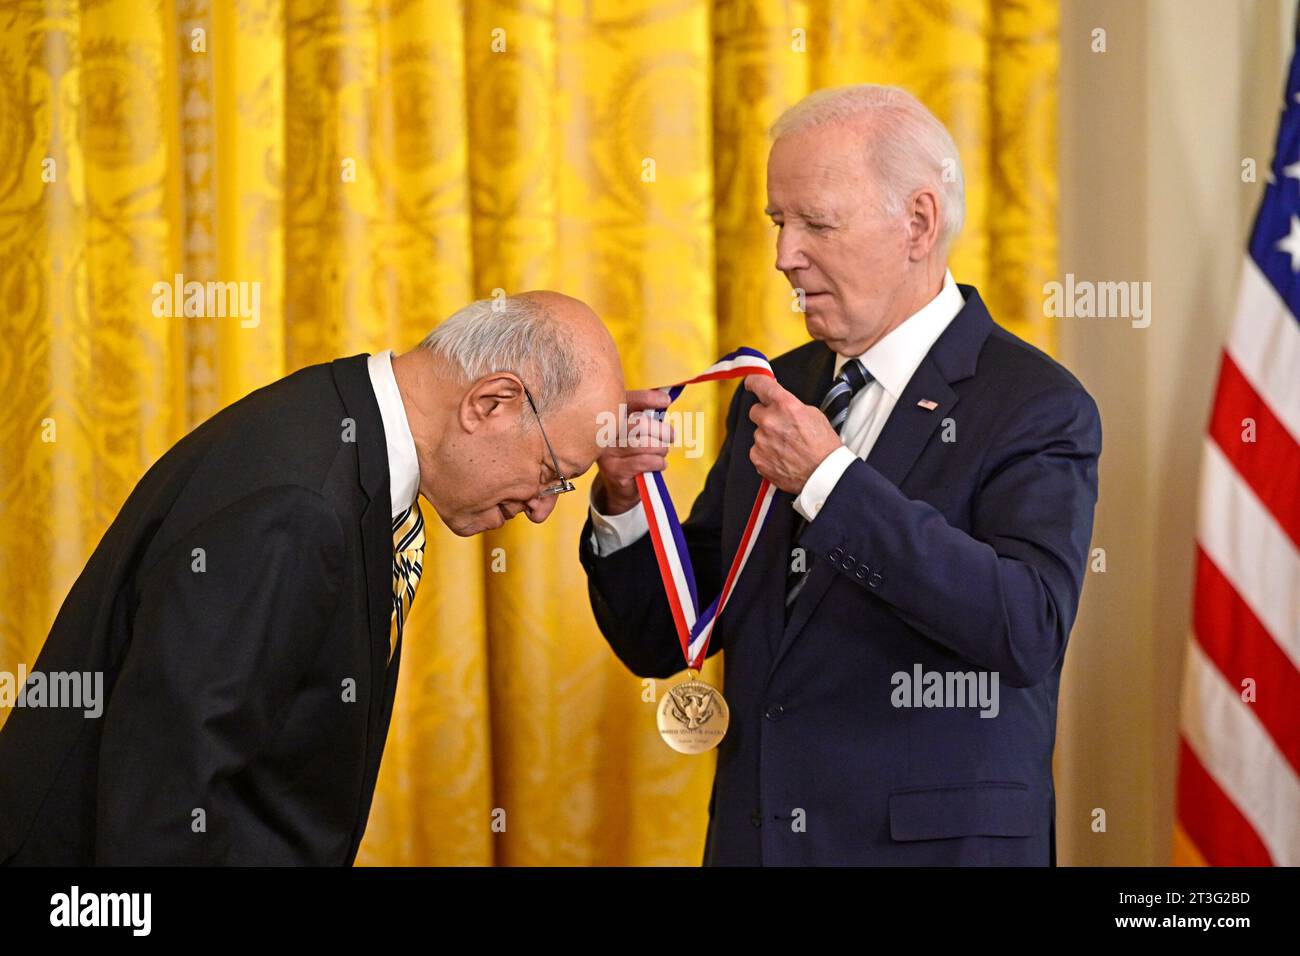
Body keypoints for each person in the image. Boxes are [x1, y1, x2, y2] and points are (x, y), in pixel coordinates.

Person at [581, 85, 1102, 865]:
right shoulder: (774, 388)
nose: (785, 255)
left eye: (816, 223)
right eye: (778, 222)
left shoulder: (1035, 402)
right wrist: (625, 505)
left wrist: (829, 480)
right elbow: (671, 634)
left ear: (918, 223)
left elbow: (1025, 629)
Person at [0, 291, 623, 865]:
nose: (543, 507)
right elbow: (166, 789)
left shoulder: (342, 432)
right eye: (552, 471)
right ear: (490, 403)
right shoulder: (298, 503)